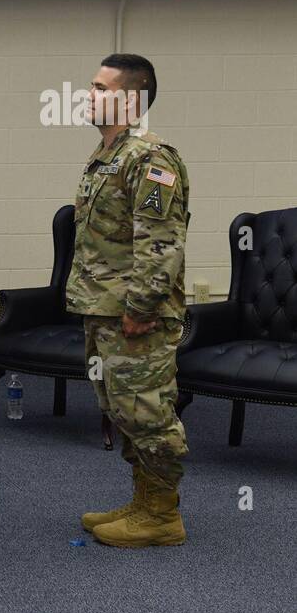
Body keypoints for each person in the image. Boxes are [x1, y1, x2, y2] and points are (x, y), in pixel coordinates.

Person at [66, 53, 191, 548]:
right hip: (103, 309)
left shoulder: (151, 160)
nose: (89, 95)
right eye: (91, 86)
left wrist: (140, 308)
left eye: (100, 87)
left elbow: (160, 244)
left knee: (148, 411)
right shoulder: (107, 157)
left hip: (135, 316)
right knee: (122, 409)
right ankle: (142, 501)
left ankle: (162, 515)